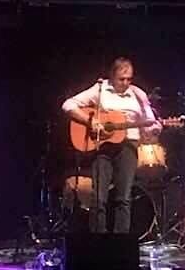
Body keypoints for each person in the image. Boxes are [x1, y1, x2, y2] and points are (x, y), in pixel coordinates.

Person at [62, 57, 162, 234]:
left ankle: (121, 244)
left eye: (129, 79)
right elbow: (68, 104)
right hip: (103, 147)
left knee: (123, 197)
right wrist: (90, 120)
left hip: (128, 146)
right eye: (121, 79)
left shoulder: (138, 94)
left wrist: (154, 129)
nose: (125, 83)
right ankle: (98, 241)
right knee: (99, 197)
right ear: (112, 76)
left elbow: (150, 121)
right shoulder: (100, 89)